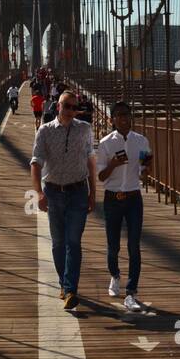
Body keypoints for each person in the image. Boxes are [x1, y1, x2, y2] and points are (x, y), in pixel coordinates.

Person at [30, 90, 97, 310]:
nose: (70, 110)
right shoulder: (45, 131)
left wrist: (93, 192)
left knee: (73, 242)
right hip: (54, 192)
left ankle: (70, 289)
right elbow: (36, 162)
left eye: (74, 107)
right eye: (66, 106)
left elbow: (90, 161)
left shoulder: (85, 129)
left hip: (78, 191)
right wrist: (38, 192)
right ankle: (63, 284)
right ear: (57, 106)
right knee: (59, 243)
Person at [96, 101, 152, 312]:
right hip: (112, 198)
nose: (124, 118)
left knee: (134, 246)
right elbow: (101, 176)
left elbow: (146, 166)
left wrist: (146, 169)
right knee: (113, 246)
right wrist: (113, 164)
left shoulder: (141, 141)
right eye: (119, 115)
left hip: (133, 197)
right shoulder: (105, 143)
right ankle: (115, 275)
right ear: (112, 119)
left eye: (126, 115)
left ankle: (131, 292)